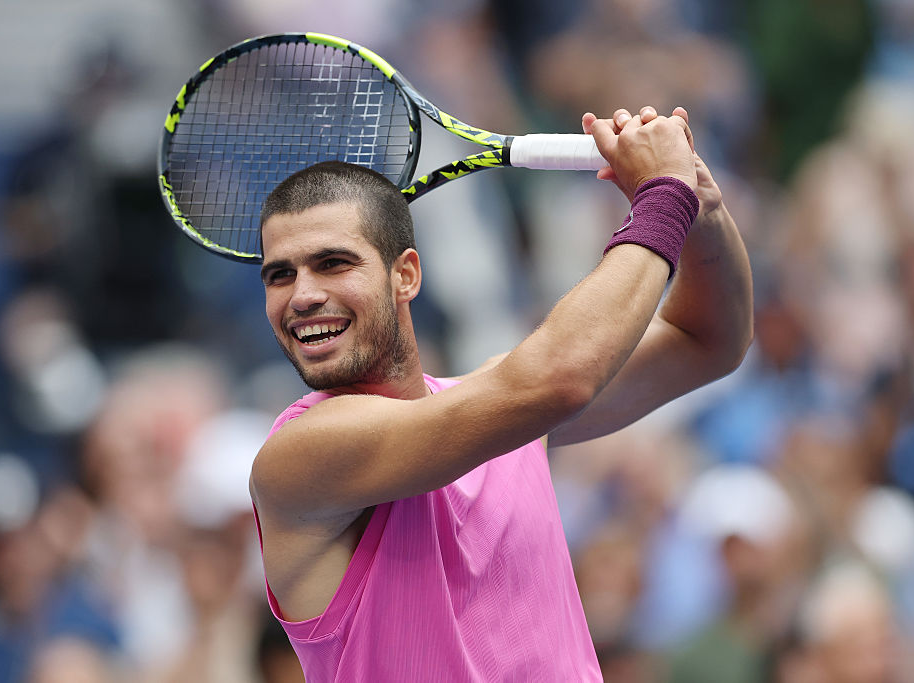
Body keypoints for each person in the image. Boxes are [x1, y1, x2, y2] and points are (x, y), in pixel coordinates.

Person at [249, 105, 754, 681]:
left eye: (333, 264)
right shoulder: (301, 453)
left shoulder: (508, 408)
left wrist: (703, 209)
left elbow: (710, 339)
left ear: (406, 275)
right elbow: (556, 379)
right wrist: (665, 197)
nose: (302, 295)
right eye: (279, 275)